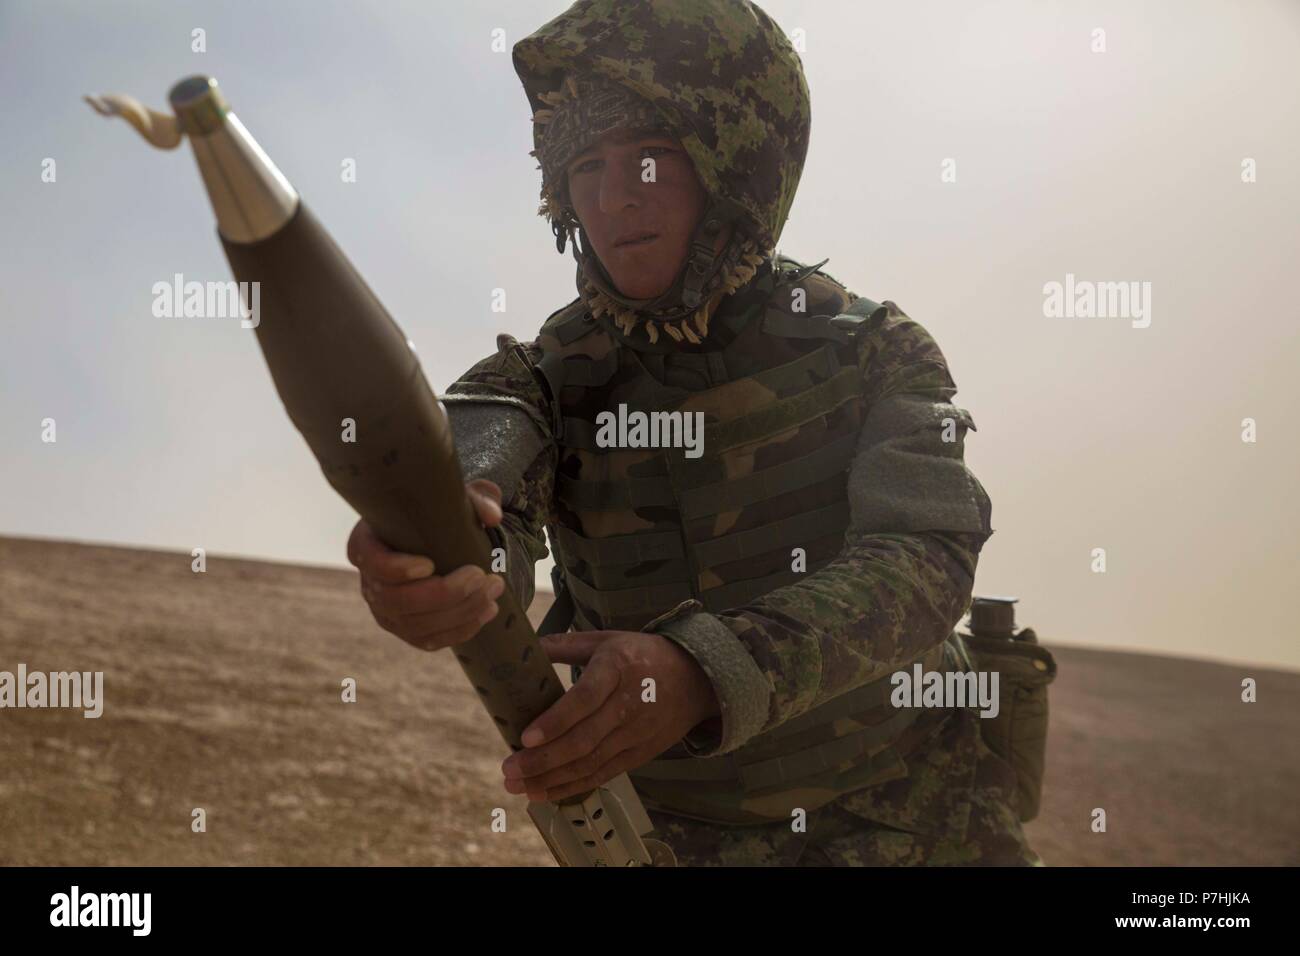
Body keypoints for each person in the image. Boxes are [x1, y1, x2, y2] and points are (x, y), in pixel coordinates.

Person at [347, 0, 1041, 866]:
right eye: (585, 164)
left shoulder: (873, 352)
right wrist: (441, 560)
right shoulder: (540, 378)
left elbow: (925, 562)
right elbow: (483, 483)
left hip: (912, 824)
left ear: (738, 162)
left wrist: (706, 670)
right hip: (673, 843)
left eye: (651, 155)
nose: (611, 198)